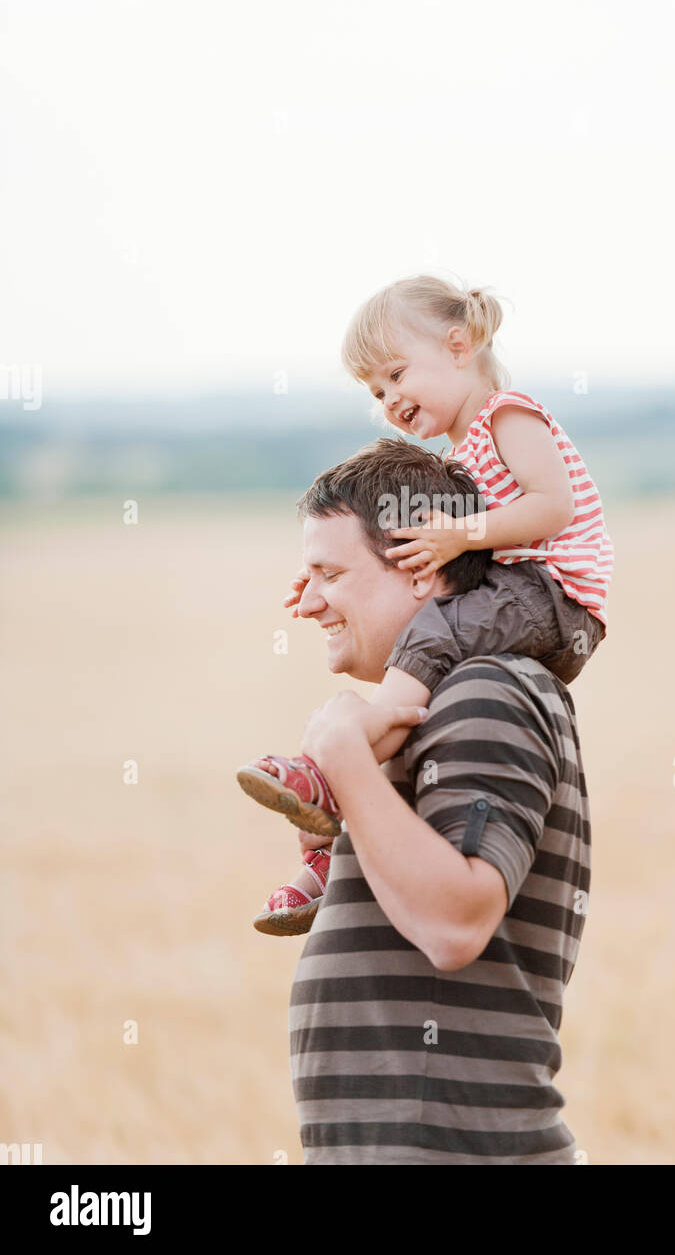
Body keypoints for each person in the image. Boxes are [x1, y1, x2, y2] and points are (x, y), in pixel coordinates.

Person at [238, 273, 613, 932]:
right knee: (402, 701)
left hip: (554, 594)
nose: (388, 399)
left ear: (459, 345)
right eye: (375, 391)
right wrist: (326, 577)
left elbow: (553, 506)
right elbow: (394, 543)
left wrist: (460, 533)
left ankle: (332, 767)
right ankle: (329, 850)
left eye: (395, 374)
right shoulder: (458, 450)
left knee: (430, 637)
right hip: (518, 587)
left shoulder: (508, 414)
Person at [282, 438, 594, 1163]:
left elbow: (457, 923)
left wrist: (340, 755)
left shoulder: (483, 690)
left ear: (422, 567)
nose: (310, 602)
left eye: (330, 573)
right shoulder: (438, 707)